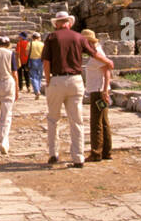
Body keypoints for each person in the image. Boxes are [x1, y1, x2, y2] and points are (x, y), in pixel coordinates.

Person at [41, 11, 113, 168]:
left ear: (57, 24)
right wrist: (108, 61)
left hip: (57, 79)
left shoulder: (52, 37)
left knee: (53, 119)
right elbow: (94, 54)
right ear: (70, 23)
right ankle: (78, 157)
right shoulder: (79, 37)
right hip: (75, 80)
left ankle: (53, 154)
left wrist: (48, 80)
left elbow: (46, 62)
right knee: (77, 121)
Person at [80, 29, 113, 161]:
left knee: (96, 123)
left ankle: (96, 152)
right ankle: (106, 152)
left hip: (98, 91)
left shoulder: (97, 53)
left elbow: (107, 71)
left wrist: (105, 91)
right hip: (99, 90)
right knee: (104, 121)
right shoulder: (96, 52)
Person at [28, 32, 45, 97]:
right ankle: (38, 89)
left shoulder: (30, 44)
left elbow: (27, 53)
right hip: (40, 60)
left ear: (33, 37)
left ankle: (36, 90)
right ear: (39, 38)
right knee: (39, 76)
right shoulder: (42, 44)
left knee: (33, 76)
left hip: (32, 60)